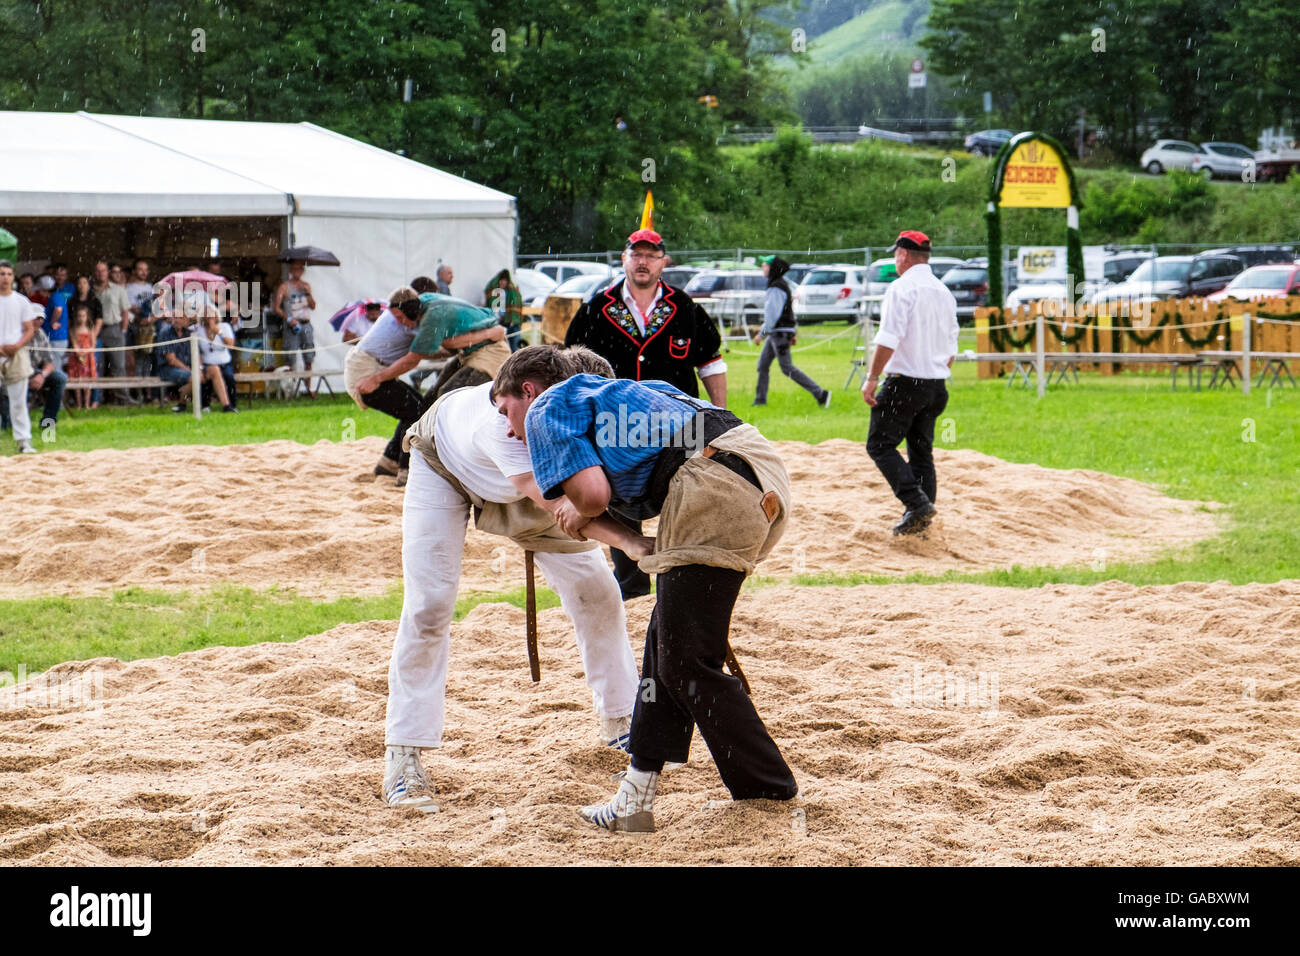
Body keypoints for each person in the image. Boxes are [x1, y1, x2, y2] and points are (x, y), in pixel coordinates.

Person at [493, 346, 797, 833]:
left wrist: (578, 510)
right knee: (666, 648)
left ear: (527, 391)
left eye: (506, 410)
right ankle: (635, 798)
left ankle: (768, 790)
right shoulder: (634, 389)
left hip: (711, 485)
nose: (510, 429)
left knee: (686, 660)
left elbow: (592, 495)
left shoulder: (548, 406)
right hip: (758, 471)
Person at [382, 345, 645, 812]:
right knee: (429, 604)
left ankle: (622, 723)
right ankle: (403, 756)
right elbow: (570, 508)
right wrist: (636, 545)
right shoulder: (501, 426)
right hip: (445, 463)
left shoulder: (578, 413)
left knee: (598, 592)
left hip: (530, 480)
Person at [563, 227, 727, 600]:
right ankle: (632, 586)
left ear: (664, 262)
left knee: (685, 493)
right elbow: (570, 368)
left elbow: (711, 363)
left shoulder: (686, 308)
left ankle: (678, 577)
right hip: (613, 423)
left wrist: (720, 416)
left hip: (680, 424)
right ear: (624, 259)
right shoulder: (595, 309)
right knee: (619, 497)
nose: (643, 261)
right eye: (636, 254)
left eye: (651, 255)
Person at [861, 230, 959, 536]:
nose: (895, 260)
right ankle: (921, 518)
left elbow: (889, 339)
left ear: (903, 254)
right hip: (936, 384)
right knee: (920, 451)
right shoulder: (944, 291)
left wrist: (872, 377)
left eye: (896, 255)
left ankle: (916, 504)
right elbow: (952, 346)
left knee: (880, 444)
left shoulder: (902, 288)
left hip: (905, 383)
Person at [343, 287, 423, 487]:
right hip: (365, 370)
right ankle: (405, 469)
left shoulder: (403, 313)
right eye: (398, 316)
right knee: (414, 411)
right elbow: (416, 356)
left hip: (367, 365)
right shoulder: (409, 320)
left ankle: (389, 462)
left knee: (418, 408)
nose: (400, 320)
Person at [404, 292, 510, 412]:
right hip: (468, 353)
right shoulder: (426, 301)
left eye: (401, 319)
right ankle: (422, 427)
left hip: (490, 353)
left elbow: (449, 345)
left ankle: (446, 428)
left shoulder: (433, 316)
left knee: (449, 398)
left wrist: (380, 377)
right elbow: (443, 350)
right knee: (431, 399)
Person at [752, 255, 831, 408]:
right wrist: (792, 332)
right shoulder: (780, 284)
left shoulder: (776, 286)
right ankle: (760, 400)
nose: (763, 268)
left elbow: (772, 315)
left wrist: (761, 333)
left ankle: (821, 394)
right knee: (762, 365)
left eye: (765, 265)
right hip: (780, 332)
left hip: (779, 333)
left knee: (787, 368)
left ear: (772, 268)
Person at [0, 260, 39, 453]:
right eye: (1, 274)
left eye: (8, 274)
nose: (5, 277)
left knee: (18, 401)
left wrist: (16, 346)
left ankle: (23, 441)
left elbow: (29, 329)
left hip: (16, 354)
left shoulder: (21, 301)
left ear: (13, 277)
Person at [93, 259, 136, 405]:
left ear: (108, 272)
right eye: (98, 271)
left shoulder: (118, 290)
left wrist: (123, 330)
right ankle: (97, 400)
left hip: (114, 329)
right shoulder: (91, 290)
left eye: (103, 270)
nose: (101, 274)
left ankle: (124, 399)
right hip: (96, 331)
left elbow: (125, 311)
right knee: (97, 366)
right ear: (95, 273)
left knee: (119, 366)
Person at [25, 318, 67, 438]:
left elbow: (50, 363)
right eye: (36, 318)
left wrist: (42, 376)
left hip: (36, 373)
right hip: (17, 374)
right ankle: (10, 425)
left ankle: (48, 422)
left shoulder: (41, 334)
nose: (39, 321)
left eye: (41, 319)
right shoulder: (17, 333)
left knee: (60, 378)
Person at [273, 259, 316, 374]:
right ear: (291, 271)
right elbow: (276, 307)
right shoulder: (284, 287)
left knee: (309, 356)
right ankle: (290, 387)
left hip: (306, 324)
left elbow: (313, 306)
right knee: (290, 357)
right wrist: (288, 318)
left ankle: (308, 388)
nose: (298, 271)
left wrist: (307, 293)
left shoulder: (306, 286)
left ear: (303, 271)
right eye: (295, 269)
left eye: (300, 269)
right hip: (292, 325)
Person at [194, 308, 239, 413]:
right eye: (207, 314)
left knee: (229, 377)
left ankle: (232, 405)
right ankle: (207, 405)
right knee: (208, 376)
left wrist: (218, 331)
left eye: (211, 314)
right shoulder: (198, 331)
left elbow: (231, 345)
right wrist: (200, 368)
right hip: (207, 364)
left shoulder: (225, 327)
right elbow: (197, 352)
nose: (210, 317)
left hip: (225, 363)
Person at [153, 311, 197, 413]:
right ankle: (182, 405)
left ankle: (203, 405)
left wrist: (198, 368)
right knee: (194, 377)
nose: (177, 320)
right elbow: (171, 360)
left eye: (181, 317)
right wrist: (189, 370)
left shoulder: (189, 333)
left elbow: (196, 355)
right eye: (175, 317)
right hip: (167, 370)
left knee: (202, 376)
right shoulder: (165, 333)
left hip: (186, 369)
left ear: (187, 320)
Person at [66, 305, 98, 409]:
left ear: (87, 316)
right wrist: (78, 353)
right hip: (76, 358)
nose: (81, 318)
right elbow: (74, 344)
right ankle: (79, 404)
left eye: (83, 316)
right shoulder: (73, 330)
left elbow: (93, 345)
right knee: (77, 380)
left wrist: (85, 352)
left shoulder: (90, 329)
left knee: (87, 381)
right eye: (79, 316)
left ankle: (87, 404)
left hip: (88, 357)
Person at [484, 269, 524, 352]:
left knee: (515, 347)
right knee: (500, 348)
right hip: (500, 324)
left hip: (512, 324)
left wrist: (513, 319)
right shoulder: (495, 292)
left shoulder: (513, 292)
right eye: (501, 280)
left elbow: (517, 307)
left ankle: (515, 362)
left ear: (507, 281)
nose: (502, 282)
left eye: (504, 280)